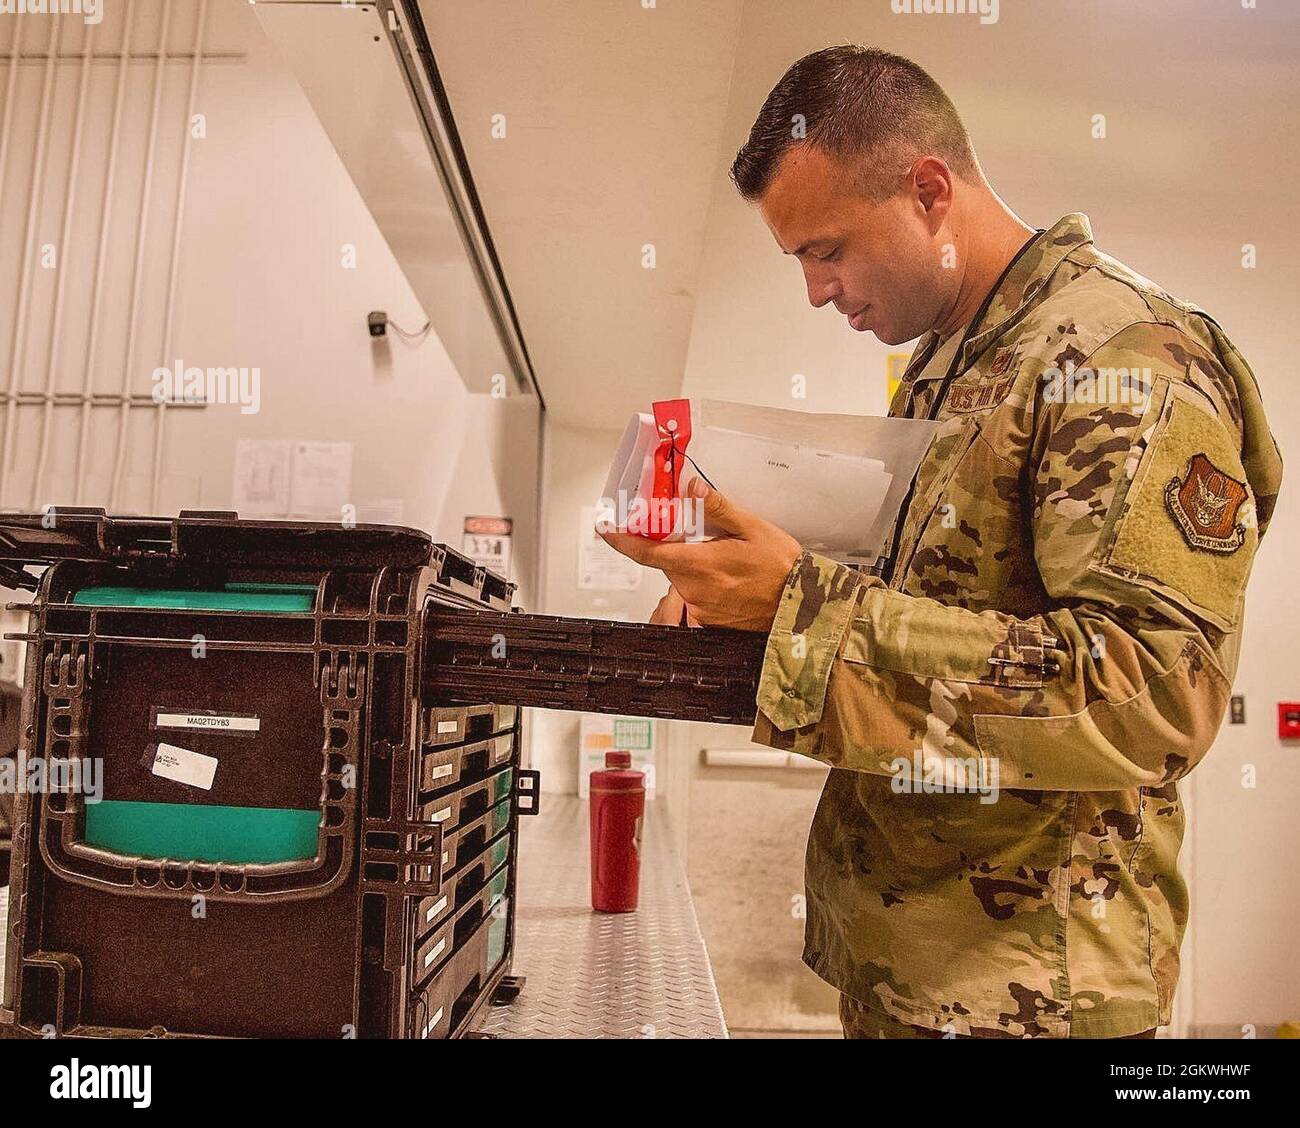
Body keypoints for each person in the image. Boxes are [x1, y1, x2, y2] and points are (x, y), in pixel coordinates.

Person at [599, 45, 1283, 1039]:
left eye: (825, 250)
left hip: (1032, 993)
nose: (816, 292)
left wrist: (802, 608)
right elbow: (947, 612)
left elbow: (1154, 692)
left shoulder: (1119, 358)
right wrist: (745, 599)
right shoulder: (944, 367)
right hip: (905, 955)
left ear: (927, 190)